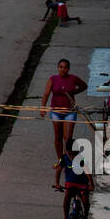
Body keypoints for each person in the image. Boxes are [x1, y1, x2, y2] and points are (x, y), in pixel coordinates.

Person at [40, 58, 88, 189]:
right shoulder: (53, 79)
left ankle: (69, 159)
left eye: (65, 67)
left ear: (69, 68)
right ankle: (60, 160)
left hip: (70, 111)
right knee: (58, 137)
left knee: (68, 138)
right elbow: (46, 94)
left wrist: (73, 92)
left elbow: (84, 86)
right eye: (61, 67)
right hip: (56, 111)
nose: (63, 69)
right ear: (57, 67)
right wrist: (42, 107)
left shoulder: (73, 78)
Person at [59, 153, 93, 219]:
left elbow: (87, 171)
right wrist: (57, 184)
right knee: (66, 199)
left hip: (82, 184)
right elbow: (58, 170)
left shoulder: (81, 158)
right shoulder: (64, 158)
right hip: (70, 184)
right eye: (70, 153)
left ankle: (86, 218)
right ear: (67, 152)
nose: (72, 156)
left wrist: (91, 184)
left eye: (74, 153)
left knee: (85, 202)